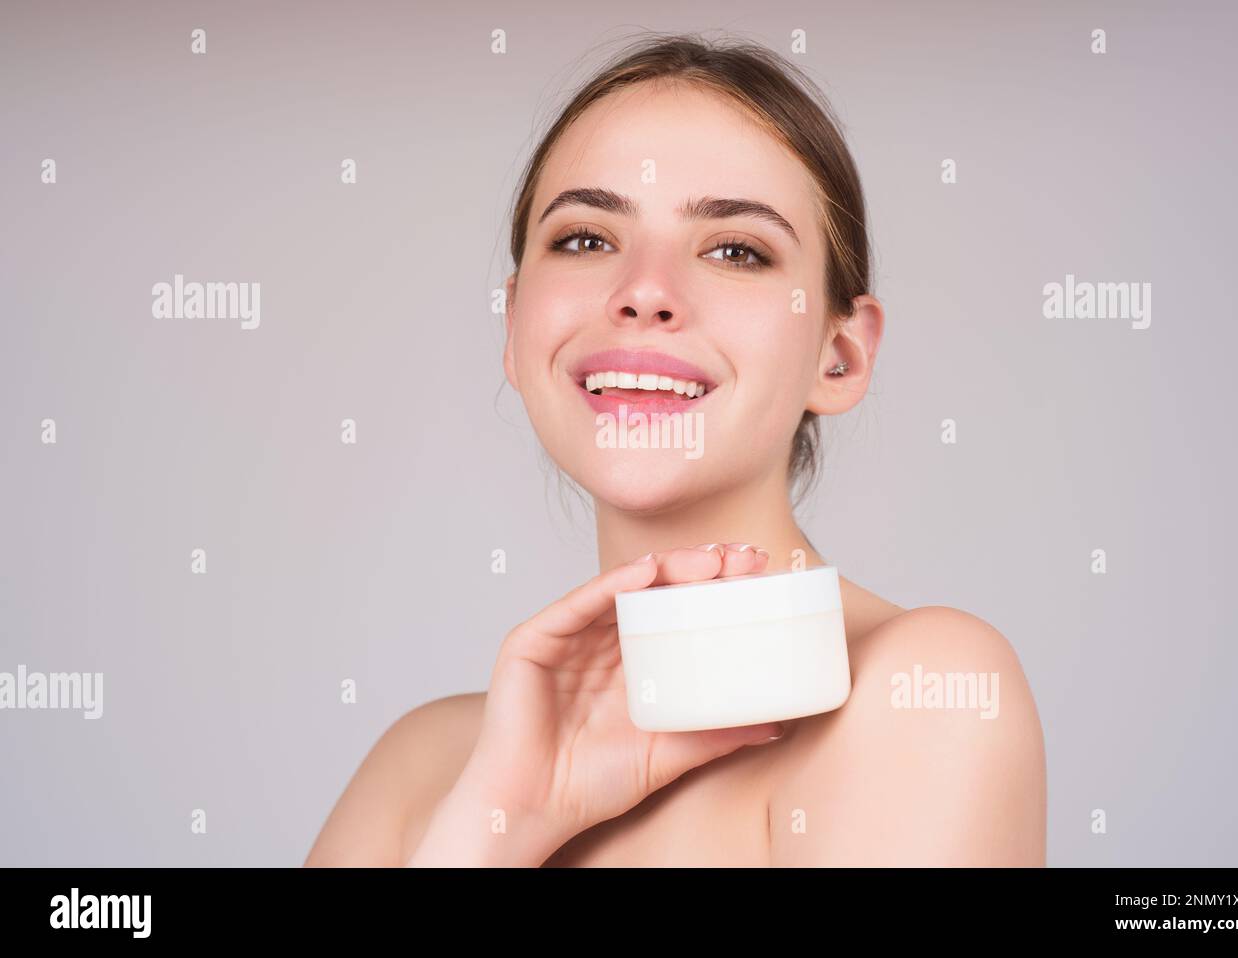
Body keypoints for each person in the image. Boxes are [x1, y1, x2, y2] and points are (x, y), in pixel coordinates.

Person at [305, 33, 1046, 867]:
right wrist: (496, 821)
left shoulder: (925, 691)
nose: (644, 292)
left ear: (840, 357)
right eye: (586, 239)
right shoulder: (426, 766)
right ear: (513, 330)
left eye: (736, 250)